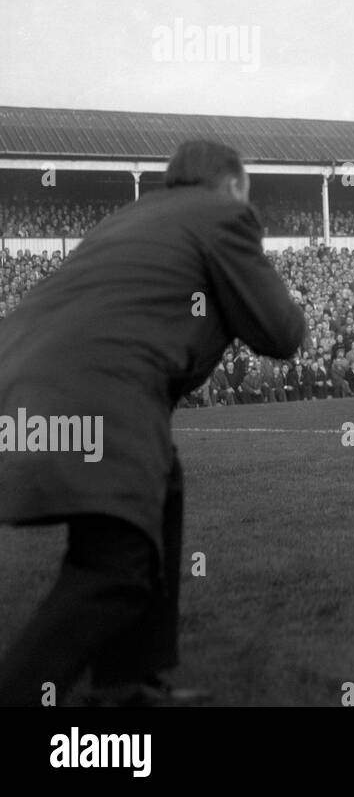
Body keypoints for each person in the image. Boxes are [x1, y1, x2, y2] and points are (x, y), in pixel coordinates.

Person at [0, 139, 306, 707]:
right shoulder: (223, 212)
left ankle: (126, 683)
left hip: (21, 383)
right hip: (94, 387)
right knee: (115, 569)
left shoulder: (129, 218)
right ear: (235, 183)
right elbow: (282, 332)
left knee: (162, 479)